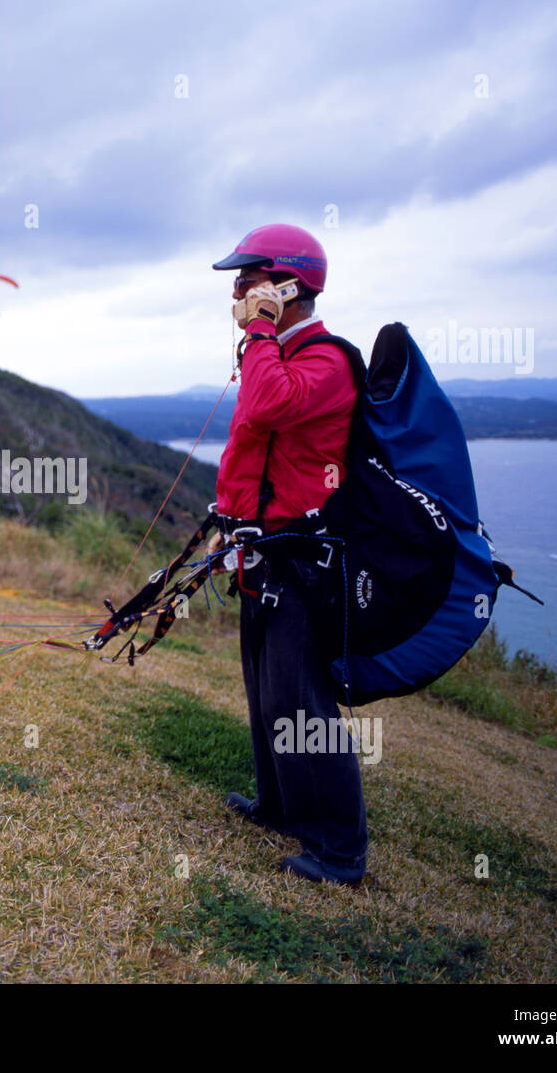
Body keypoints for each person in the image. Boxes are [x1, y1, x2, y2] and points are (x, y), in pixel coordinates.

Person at [207, 223, 368, 887]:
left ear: (287, 286)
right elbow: (252, 444)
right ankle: (279, 805)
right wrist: (231, 522)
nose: (238, 293)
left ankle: (339, 851)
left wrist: (263, 330)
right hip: (263, 548)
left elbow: (270, 408)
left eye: (249, 280)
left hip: (303, 560)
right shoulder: (272, 352)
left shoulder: (324, 359)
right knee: (266, 691)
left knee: (301, 700)